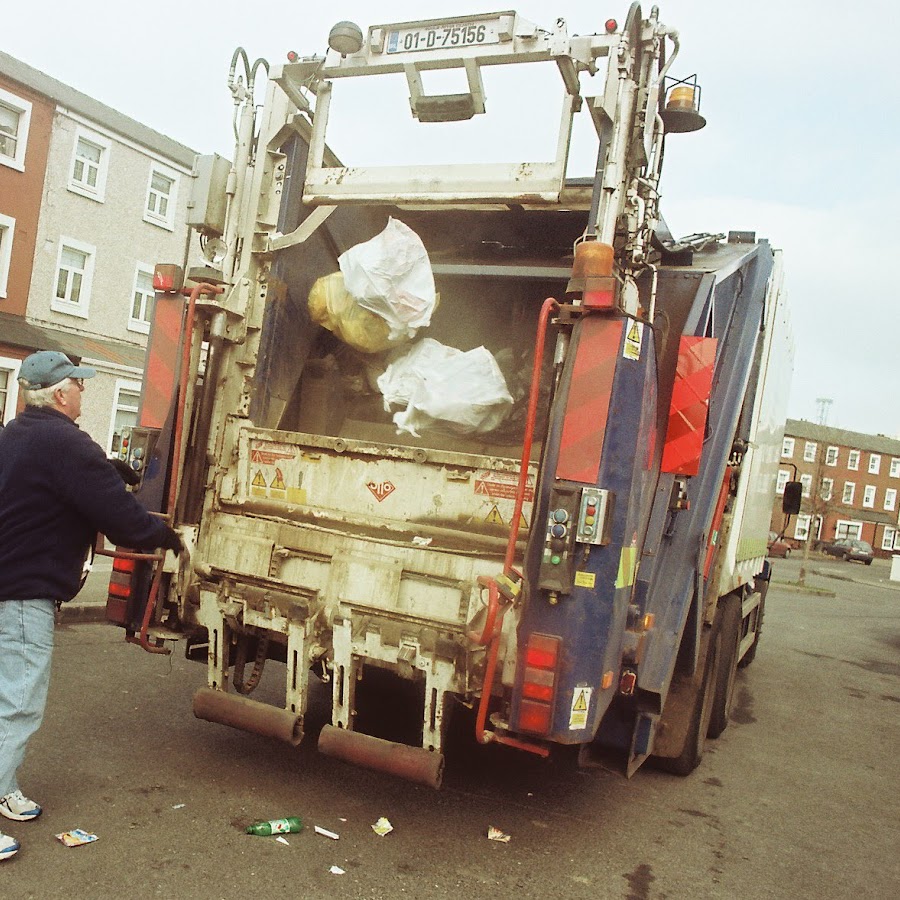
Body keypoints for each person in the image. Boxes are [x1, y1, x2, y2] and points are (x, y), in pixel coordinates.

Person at [0, 351, 182, 862]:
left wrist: (104, 468)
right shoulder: (66, 442)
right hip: (20, 593)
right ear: (60, 394)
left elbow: (51, 480)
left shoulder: (17, 434)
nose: (84, 391)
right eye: (79, 384)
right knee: (16, 703)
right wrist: (165, 535)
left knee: (7, 697)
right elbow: (122, 520)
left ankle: (4, 785)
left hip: (7, 585)